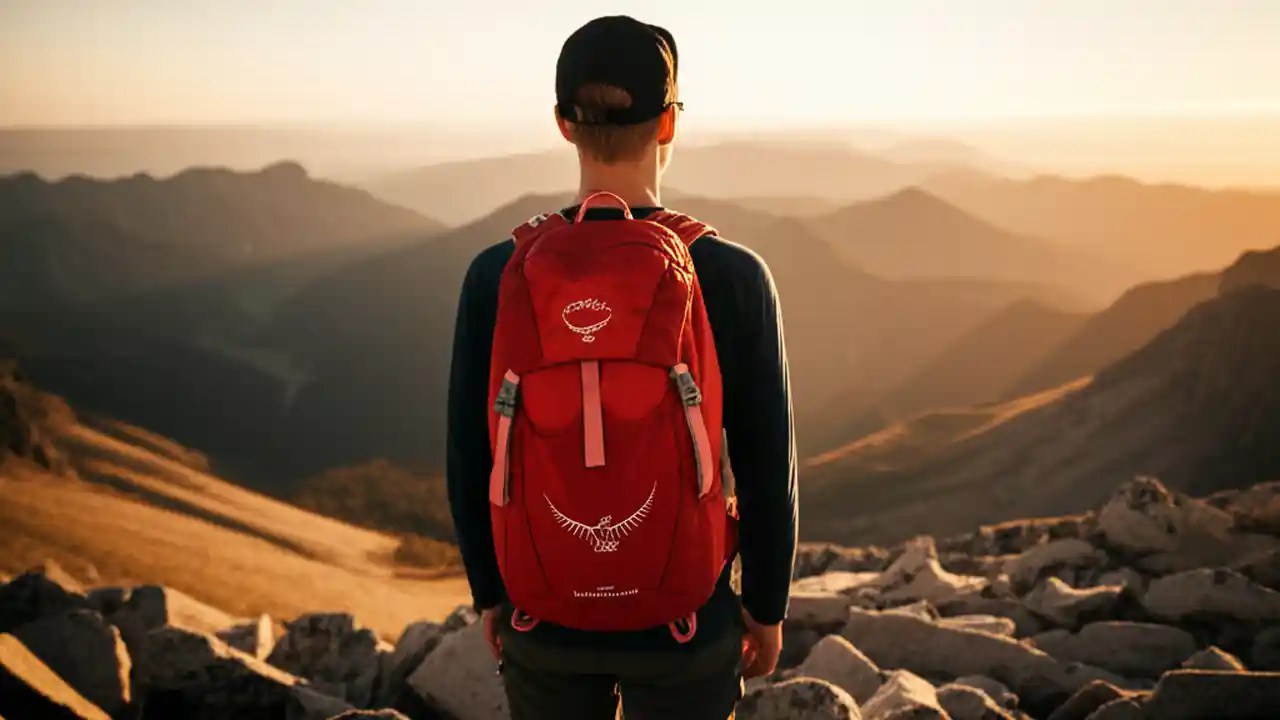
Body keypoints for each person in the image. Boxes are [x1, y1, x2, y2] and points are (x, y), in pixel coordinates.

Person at [446, 15, 797, 720]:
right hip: (685, 624)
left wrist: (491, 593)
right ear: (667, 124)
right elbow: (767, 467)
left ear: (562, 123)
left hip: (542, 617)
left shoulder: (499, 274)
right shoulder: (727, 275)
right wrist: (764, 607)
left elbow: (470, 453)